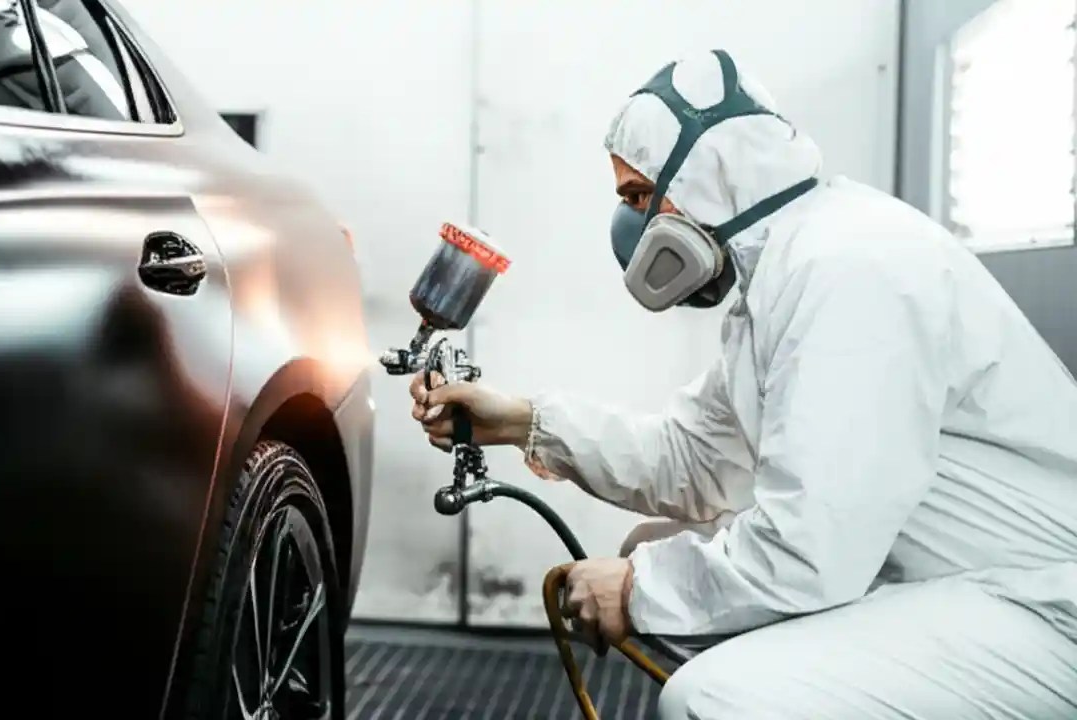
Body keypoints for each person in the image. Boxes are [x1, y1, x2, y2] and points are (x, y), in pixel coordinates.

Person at [409, 49, 1077, 718]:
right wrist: (524, 421)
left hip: (1038, 609)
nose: (631, 226)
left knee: (710, 698)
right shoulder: (788, 270)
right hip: (946, 578)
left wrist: (635, 593)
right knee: (650, 552)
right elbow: (696, 460)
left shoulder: (849, 271)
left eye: (638, 197)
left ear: (708, 177)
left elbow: (811, 548)